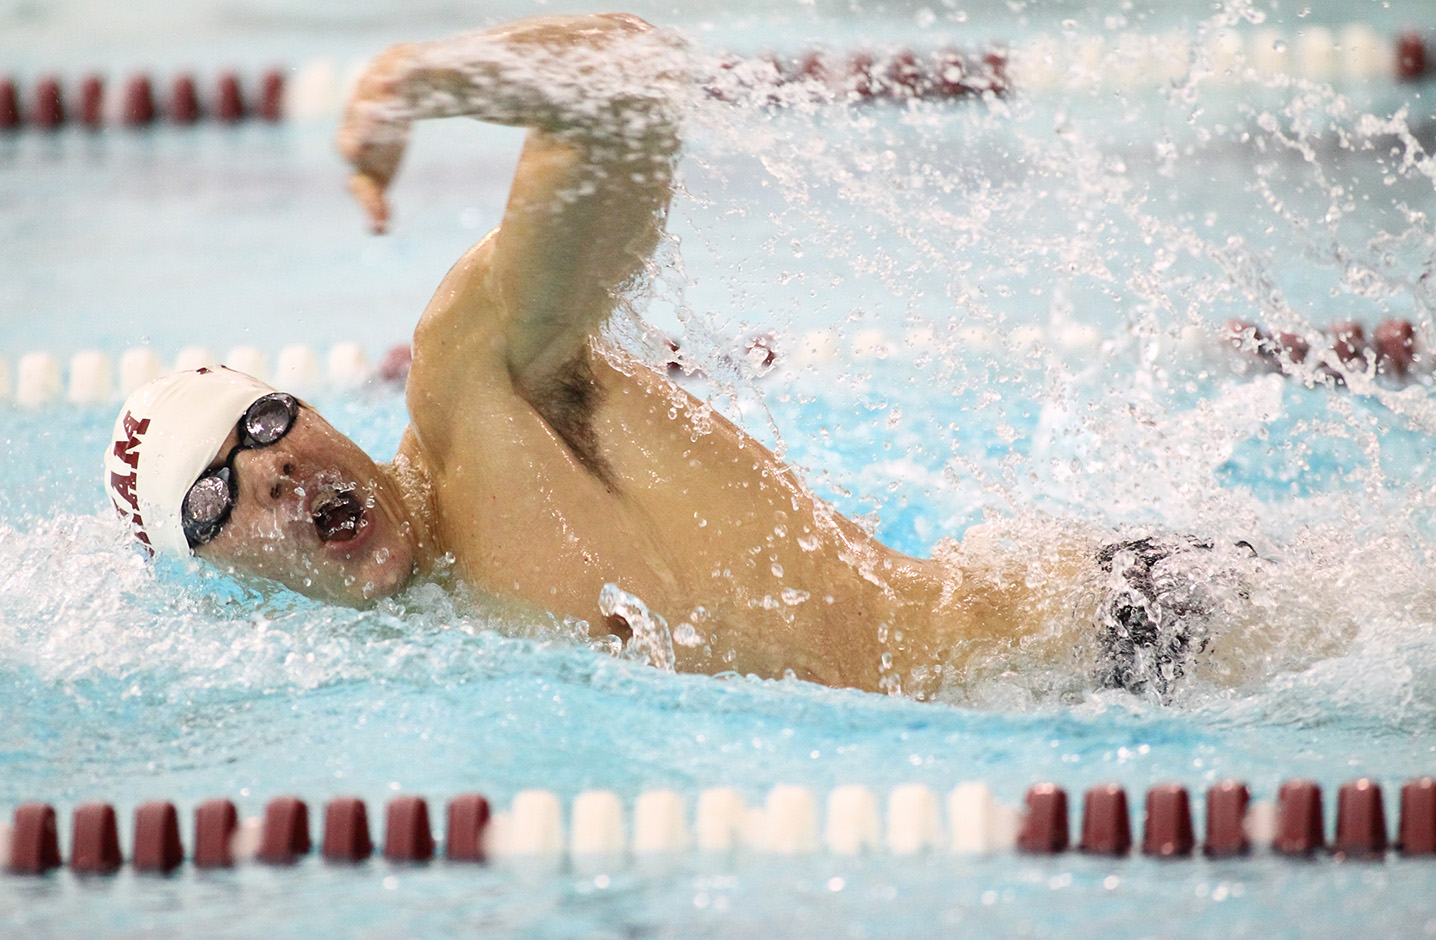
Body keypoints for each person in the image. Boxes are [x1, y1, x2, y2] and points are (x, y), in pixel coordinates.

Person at [105, 13, 1236, 699]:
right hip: (1078, 717)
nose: (275, 472)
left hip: (1120, 635)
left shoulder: (480, 388)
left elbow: (631, 82)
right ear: (226, 577)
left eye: (262, 426)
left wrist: (429, 81)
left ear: (308, 414)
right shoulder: (433, 632)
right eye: (218, 496)